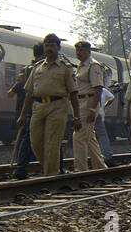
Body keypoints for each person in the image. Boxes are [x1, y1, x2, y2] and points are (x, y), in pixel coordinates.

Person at [18, 34, 81, 177]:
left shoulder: (66, 68)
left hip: (57, 107)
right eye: (47, 45)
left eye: (52, 45)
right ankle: (50, 169)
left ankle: (51, 176)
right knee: (35, 143)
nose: (49, 48)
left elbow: (73, 93)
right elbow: (29, 94)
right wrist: (22, 115)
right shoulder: (37, 69)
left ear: (58, 48)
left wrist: (77, 116)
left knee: (52, 143)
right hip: (38, 107)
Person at [7, 43, 45, 178]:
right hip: (34, 107)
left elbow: (11, 92)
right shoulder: (39, 68)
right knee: (31, 137)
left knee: (28, 137)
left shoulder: (26, 69)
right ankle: (24, 166)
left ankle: (24, 165)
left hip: (25, 108)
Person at [71, 41, 107, 171]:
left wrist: (92, 109)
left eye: (81, 50)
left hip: (88, 103)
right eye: (77, 50)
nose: (78, 53)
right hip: (81, 102)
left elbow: (98, 89)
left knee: (79, 136)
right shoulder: (81, 66)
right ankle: (100, 168)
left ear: (88, 51)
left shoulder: (93, 66)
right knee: (89, 137)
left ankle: (81, 170)